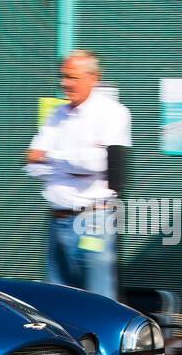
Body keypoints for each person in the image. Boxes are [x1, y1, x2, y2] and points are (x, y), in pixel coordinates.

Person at [25, 49, 131, 299]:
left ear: (93, 78)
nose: (65, 84)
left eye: (72, 77)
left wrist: (52, 156)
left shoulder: (113, 113)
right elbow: (31, 164)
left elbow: (96, 164)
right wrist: (72, 163)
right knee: (58, 299)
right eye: (63, 77)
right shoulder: (56, 115)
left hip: (94, 220)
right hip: (57, 219)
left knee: (98, 299)